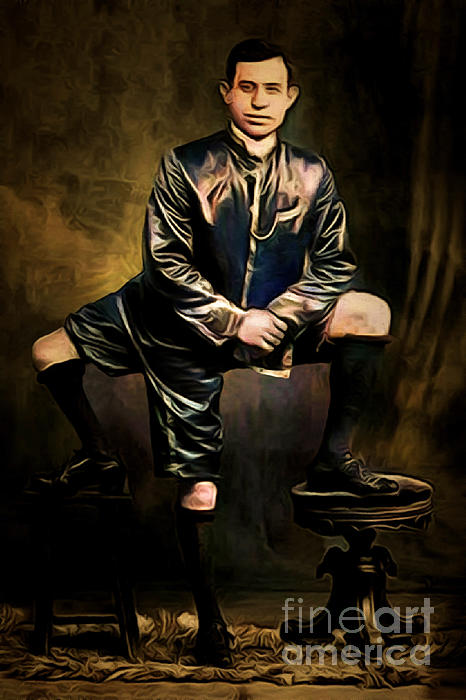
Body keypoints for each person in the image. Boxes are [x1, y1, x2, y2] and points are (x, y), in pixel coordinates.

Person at [30, 39, 398, 665]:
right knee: (49, 353)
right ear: (226, 93)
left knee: (372, 313)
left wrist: (275, 318)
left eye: (272, 89)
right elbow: (165, 265)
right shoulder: (184, 164)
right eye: (246, 87)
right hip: (174, 323)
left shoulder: (313, 172)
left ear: (290, 97)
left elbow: (335, 262)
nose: (259, 101)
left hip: (274, 320)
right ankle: (203, 616)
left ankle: (333, 461)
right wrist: (233, 321)